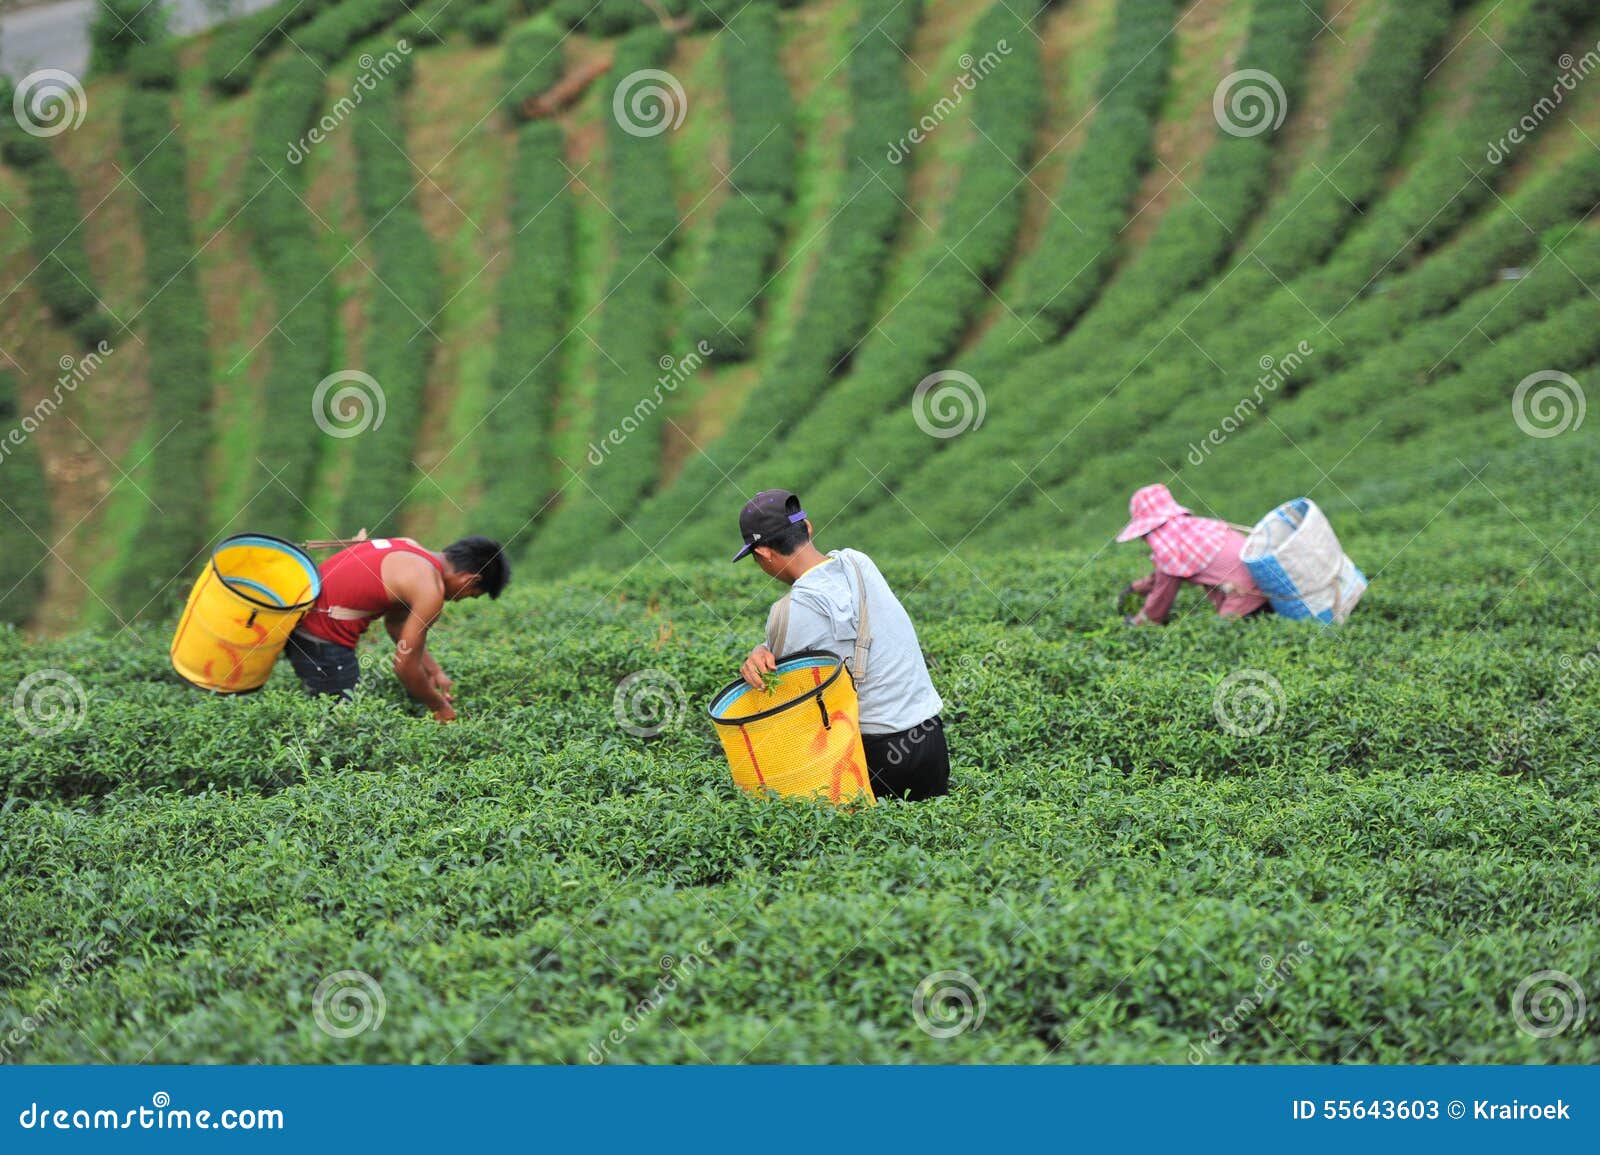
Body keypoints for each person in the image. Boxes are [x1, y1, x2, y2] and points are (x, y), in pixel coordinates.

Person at [732, 490, 948, 801]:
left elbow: (785, 693)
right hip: (929, 734)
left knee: (872, 846)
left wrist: (758, 654)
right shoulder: (858, 563)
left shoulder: (787, 612)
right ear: (807, 527)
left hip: (876, 752)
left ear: (764, 553)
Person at [285, 535, 510, 720]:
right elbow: (404, 667)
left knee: (333, 713)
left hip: (299, 621)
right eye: (472, 595)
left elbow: (397, 623)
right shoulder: (429, 590)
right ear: (469, 580)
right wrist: (440, 707)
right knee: (342, 724)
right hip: (322, 641)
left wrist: (434, 671)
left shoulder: (408, 546)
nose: (462, 600)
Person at [1116, 483, 1268, 625]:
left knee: (1219, 633)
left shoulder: (1169, 551)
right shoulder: (1196, 528)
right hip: (1266, 582)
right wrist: (1135, 588)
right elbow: (1162, 575)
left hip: (1245, 595)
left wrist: (1136, 623)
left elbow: (1159, 603)